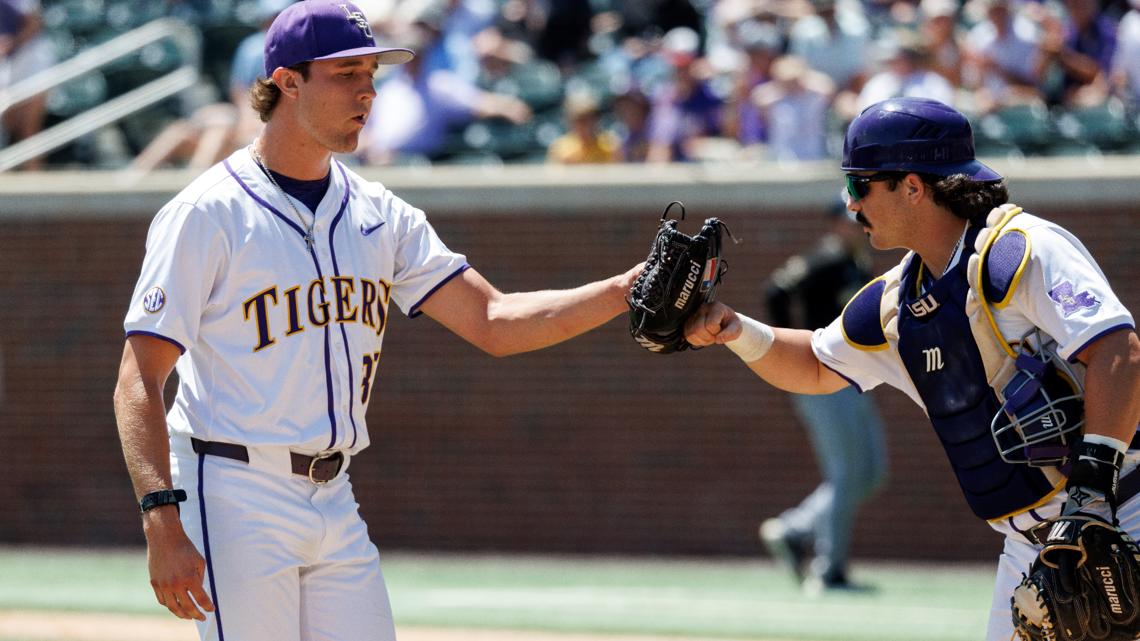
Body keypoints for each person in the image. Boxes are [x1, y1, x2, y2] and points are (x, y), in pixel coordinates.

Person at [111, 3, 640, 640]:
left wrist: (620, 291)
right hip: (231, 490)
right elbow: (139, 380)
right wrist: (161, 519)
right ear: (287, 81)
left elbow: (494, 320)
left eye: (373, 72)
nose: (368, 89)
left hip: (335, 493)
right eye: (347, 73)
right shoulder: (207, 212)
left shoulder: (380, 211)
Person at [684, 96, 1140, 640]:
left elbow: (1117, 348)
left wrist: (1091, 490)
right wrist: (731, 328)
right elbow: (812, 363)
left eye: (859, 185)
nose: (851, 204)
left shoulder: (1016, 251)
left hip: (1118, 509)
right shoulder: (896, 301)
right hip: (1030, 547)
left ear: (913, 186)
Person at [758, 196, 887, 594]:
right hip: (821, 376)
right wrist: (789, 352)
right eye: (848, 220)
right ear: (836, 225)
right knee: (847, 475)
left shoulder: (855, 262)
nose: (855, 226)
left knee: (870, 473)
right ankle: (828, 571)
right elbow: (774, 292)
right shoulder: (826, 258)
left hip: (852, 379)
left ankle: (794, 529)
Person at [0, 0, 56, 170]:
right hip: (7, 64)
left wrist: (11, 43)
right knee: (9, 125)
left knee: (28, 130)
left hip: (31, 62)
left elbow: (34, 23)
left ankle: (34, 179)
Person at [546, 91, 619, 164]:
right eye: (580, 119)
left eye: (591, 117)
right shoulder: (559, 148)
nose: (587, 124)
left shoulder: (610, 144)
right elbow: (554, 173)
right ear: (570, 121)